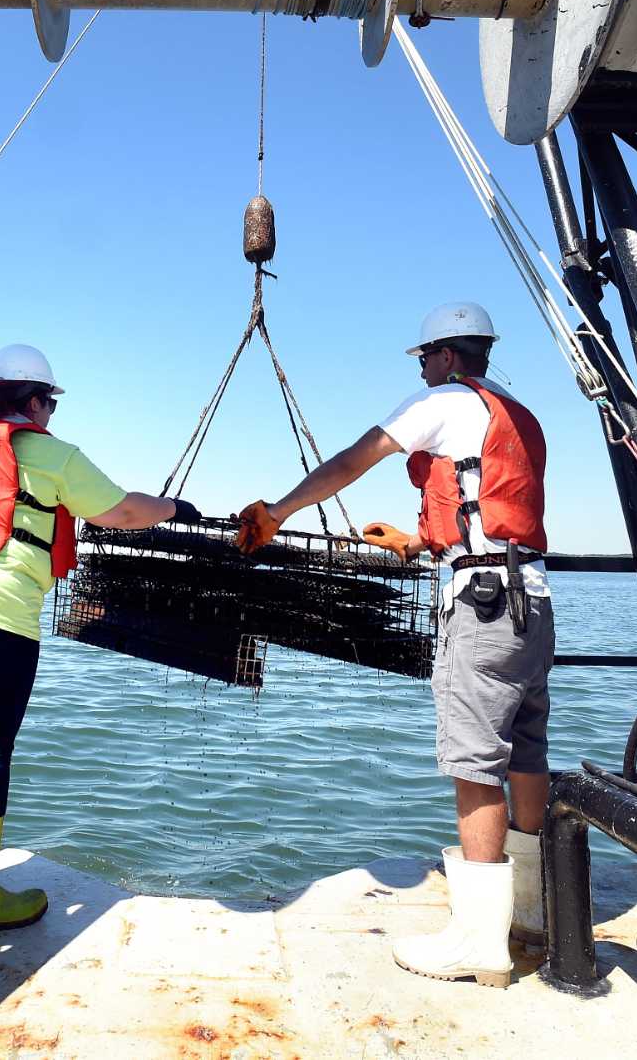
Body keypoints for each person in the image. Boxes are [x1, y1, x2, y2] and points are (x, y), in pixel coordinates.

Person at [236, 302, 550, 987]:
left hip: (483, 606)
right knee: (524, 750)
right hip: (534, 602)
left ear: (444, 355)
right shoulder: (516, 413)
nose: (424, 368)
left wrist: (279, 509)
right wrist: (418, 540)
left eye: (425, 358)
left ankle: (480, 943)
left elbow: (355, 458)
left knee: (475, 760)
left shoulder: (443, 401)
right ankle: (532, 910)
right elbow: (491, 508)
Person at [0, 343, 194, 938]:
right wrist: (176, 508)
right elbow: (119, 512)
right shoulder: (50, 453)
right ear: (38, 401)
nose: (51, 413)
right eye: (51, 402)